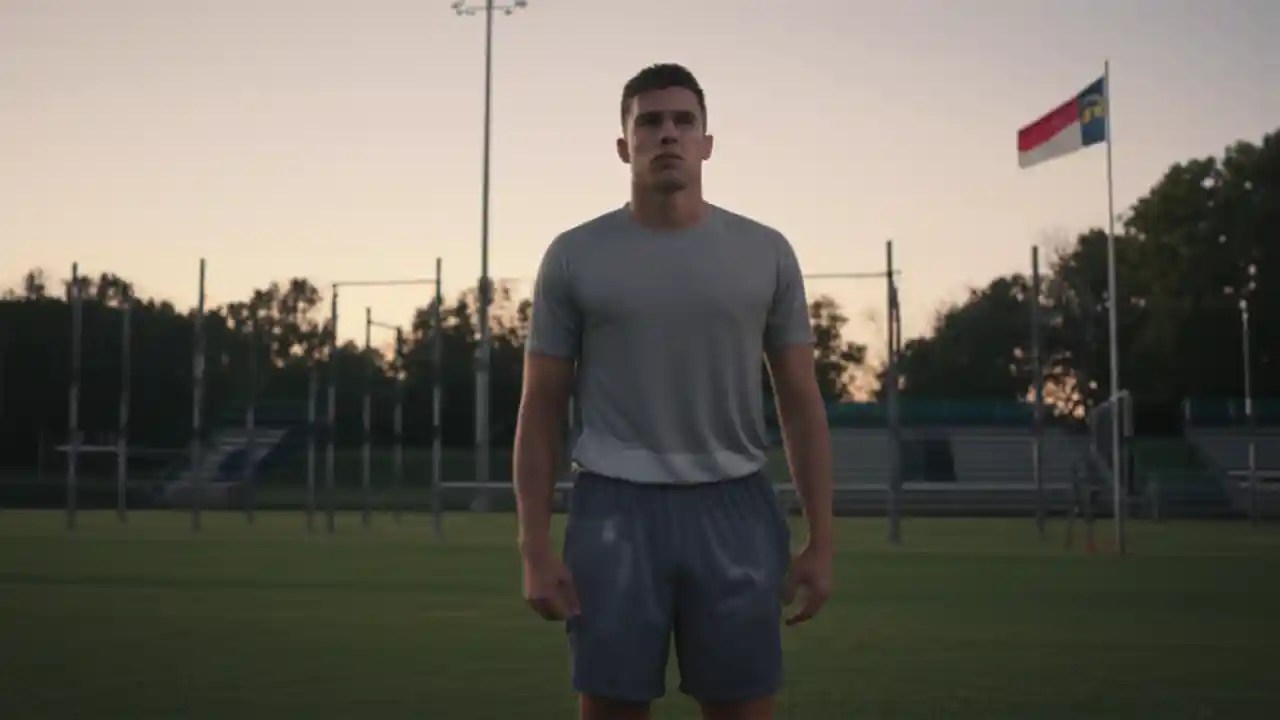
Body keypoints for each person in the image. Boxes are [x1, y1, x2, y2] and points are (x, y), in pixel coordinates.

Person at [513, 62, 834, 720]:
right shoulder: (575, 256)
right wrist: (534, 546)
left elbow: (799, 398)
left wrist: (822, 539)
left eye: (684, 122)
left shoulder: (766, 252)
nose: (668, 135)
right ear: (624, 144)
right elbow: (541, 405)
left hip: (736, 507)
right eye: (650, 122)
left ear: (707, 142)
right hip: (614, 510)